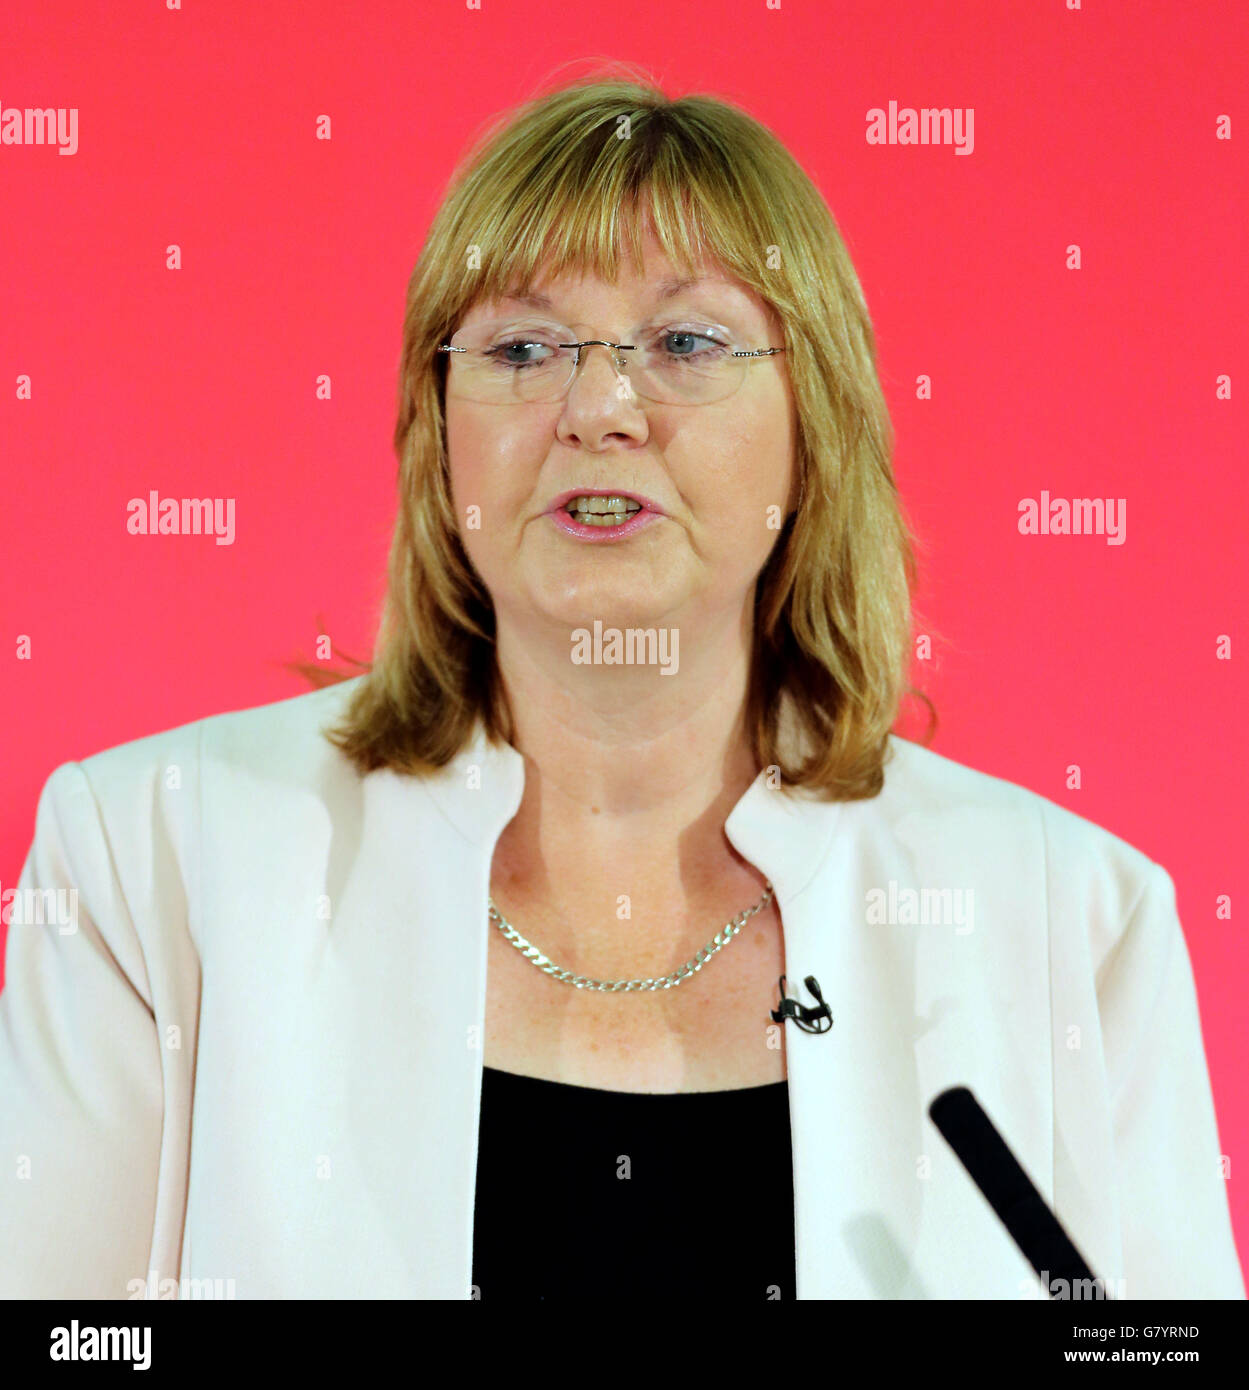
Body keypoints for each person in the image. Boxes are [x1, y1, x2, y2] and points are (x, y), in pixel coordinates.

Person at [0, 73, 1242, 1301]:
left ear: (815, 426)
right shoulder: (155, 858)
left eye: (686, 343)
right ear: (439, 435)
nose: (599, 410)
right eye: (522, 348)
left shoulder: (1065, 921)